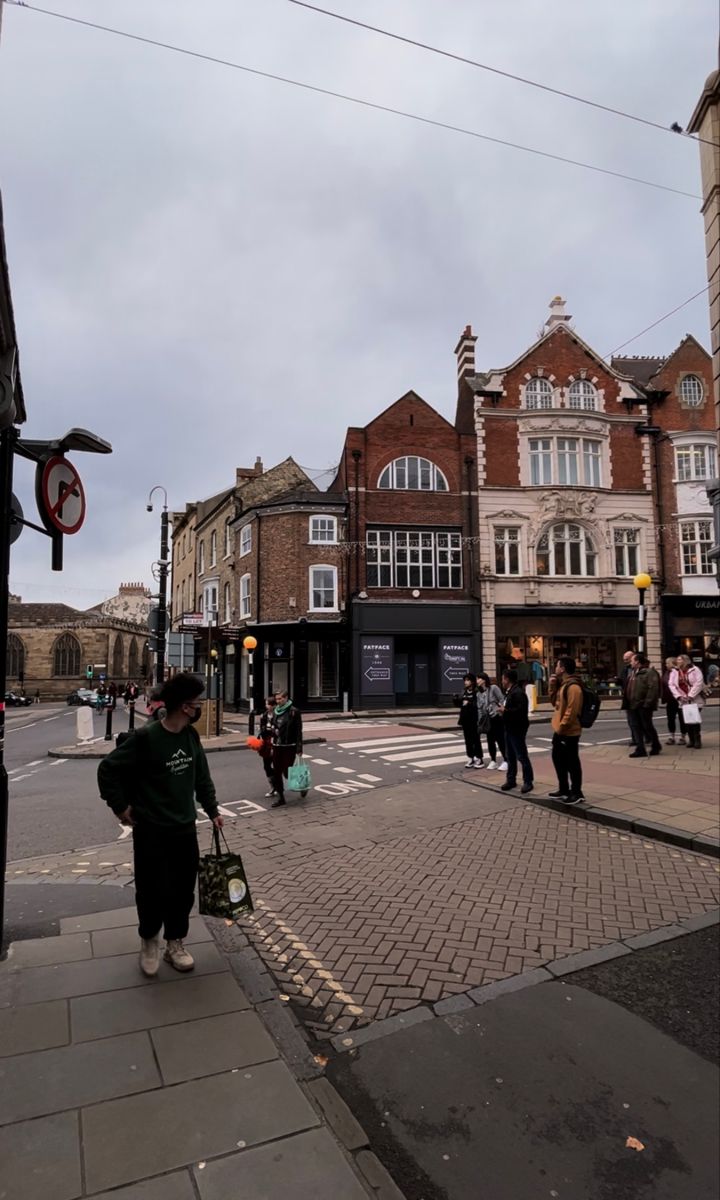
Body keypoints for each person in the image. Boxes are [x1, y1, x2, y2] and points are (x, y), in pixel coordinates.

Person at [97, 672, 222, 977]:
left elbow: (201, 777)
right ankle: (149, 942)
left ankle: (175, 943)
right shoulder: (147, 738)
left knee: (182, 891)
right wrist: (121, 807)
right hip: (151, 829)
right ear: (183, 707)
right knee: (151, 890)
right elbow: (107, 770)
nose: (200, 707)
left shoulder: (190, 737)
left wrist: (212, 810)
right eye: (196, 703)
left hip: (183, 828)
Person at [549, 656, 584, 804]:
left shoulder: (573, 687)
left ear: (562, 669)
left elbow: (572, 710)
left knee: (572, 762)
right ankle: (564, 788)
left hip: (569, 731)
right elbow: (554, 703)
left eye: (557, 666)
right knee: (558, 759)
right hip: (560, 730)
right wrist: (552, 686)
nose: (555, 668)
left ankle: (577, 792)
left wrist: (562, 727)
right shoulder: (563, 685)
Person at [498, 668, 533, 794]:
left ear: (507, 679)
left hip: (516, 728)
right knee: (510, 755)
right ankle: (511, 779)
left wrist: (505, 711)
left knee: (521, 756)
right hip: (509, 727)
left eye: (503, 678)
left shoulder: (518, 693)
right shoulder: (510, 692)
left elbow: (521, 712)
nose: (502, 681)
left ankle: (528, 781)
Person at [269, 689, 304, 808]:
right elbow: (273, 726)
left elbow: (299, 731)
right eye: (277, 699)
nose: (278, 701)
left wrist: (299, 748)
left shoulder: (294, 712)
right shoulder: (275, 711)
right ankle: (281, 797)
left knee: (287, 771)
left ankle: (301, 785)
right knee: (276, 771)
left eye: (280, 699)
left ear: (286, 698)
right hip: (277, 745)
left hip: (289, 746)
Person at [626, 653, 661, 757]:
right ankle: (640, 748)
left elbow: (653, 688)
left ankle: (656, 745)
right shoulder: (633, 672)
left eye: (632, 660)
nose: (630, 662)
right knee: (636, 726)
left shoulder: (649, 672)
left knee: (647, 726)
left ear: (637, 661)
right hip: (632, 704)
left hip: (643, 705)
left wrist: (647, 703)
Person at [669, 654, 705, 749]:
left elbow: (699, 683)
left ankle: (697, 740)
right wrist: (679, 696)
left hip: (695, 699)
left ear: (685, 661)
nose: (678, 661)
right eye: (677, 660)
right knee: (687, 720)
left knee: (695, 720)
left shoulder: (695, 670)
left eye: (680, 660)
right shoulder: (675, 671)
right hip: (683, 699)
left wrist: (690, 695)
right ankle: (691, 739)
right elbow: (671, 685)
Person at [476, 673, 507, 771]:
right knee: (490, 741)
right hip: (488, 719)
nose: (477, 681)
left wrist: (499, 710)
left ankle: (506, 760)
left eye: (479, 679)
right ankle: (493, 760)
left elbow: (502, 699)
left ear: (484, 680)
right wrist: (480, 720)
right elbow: (479, 708)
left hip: (497, 718)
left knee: (500, 740)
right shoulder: (479, 694)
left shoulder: (493, 688)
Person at [458, 673, 483, 768]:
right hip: (465, 719)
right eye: (465, 680)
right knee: (467, 740)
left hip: (474, 719)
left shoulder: (477, 692)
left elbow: (479, 704)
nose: (465, 682)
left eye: (467, 680)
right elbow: (460, 703)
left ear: (472, 681)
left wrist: (469, 703)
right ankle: (470, 757)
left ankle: (479, 758)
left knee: (476, 739)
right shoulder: (464, 691)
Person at [660, 656, 685, 746]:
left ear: (672, 663)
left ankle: (683, 737)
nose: (665, 665)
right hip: (670, 699)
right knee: (670, 719)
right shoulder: (666, 672)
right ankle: (671, 736)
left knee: (682, 719)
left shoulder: (678, 672)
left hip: (680, 699)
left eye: (667, 663)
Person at [258, 696, 278, 796]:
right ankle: (273, 785)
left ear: (274, 705)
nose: (266, 706)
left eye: (268, 704)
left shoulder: (278, 715)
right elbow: (261, 729)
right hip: (266, 743)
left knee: (277, 765)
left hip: (276, 742)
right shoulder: (264, 715)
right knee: (266, 765)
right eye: (266, 704)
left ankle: (277, 785)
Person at [619, 650, 636, 746]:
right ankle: (635, 738)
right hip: (628, 697)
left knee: (638, 721)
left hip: (636, 698)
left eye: (627, 660)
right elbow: (623, 680)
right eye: (624, 660)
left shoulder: (640, 670)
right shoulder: (626, 669)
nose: (626, 662)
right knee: (631, 721)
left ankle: (644, 739)